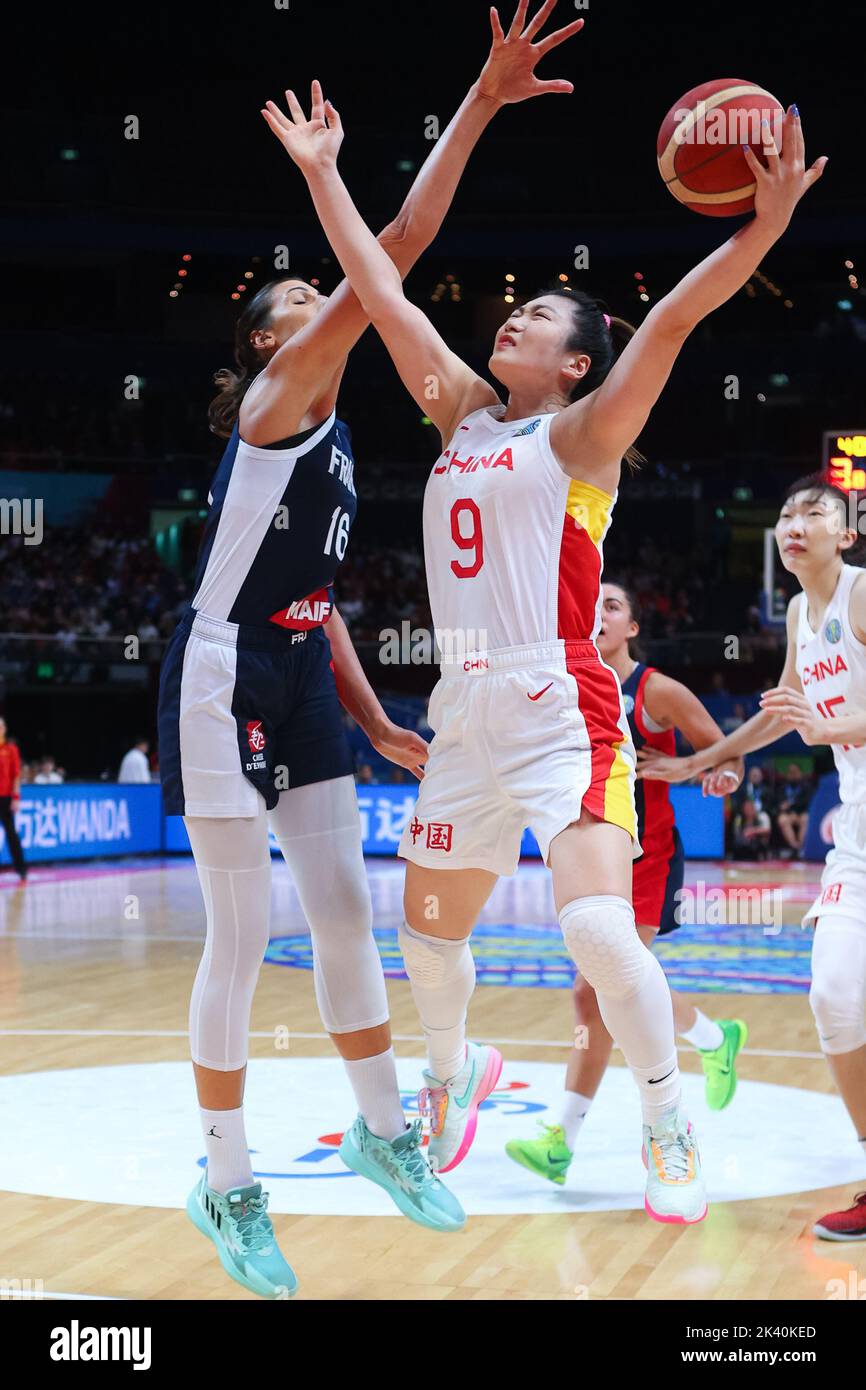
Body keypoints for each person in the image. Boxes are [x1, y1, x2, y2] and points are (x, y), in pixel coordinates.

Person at [268, 55, 825, 1222]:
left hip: (560, 699)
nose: (509, 319)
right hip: (460, 711)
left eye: (536, 319)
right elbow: (377, 285)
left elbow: (672, 318)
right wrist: (329, 174)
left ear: (575, 363)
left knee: (588, 921)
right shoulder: (460, 413)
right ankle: (452, 1070)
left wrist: (759, 231)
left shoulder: (581, 438)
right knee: (423, 942)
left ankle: (667, 1116)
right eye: (510, 313)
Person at [158, 2, 587, 1298]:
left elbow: (326, 599)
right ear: (266, 345)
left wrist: (380, 717)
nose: (321, 301)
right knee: (242, 934)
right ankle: (225, 1181)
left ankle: (387, 1133)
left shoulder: (336, 437)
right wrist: (476, 97)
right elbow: (394, 246)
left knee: (345, 911)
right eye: (299, 298)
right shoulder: (286, 397)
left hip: (292, 668)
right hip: (220, 666)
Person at [640, 474, 866, 1241]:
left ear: (847, 535)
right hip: (859, 838)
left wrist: (834, 731)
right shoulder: (803, 612)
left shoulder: (863, 596)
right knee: (834, 996)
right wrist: (701, 762)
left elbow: (821, 724)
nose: (796, 523)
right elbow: (782, 715)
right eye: (785, 513)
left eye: (815, 513)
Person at [505, 582, 747, 1185]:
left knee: (595, 993)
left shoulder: (655, 690)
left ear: (633, 628)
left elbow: (727, 754)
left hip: (649, 860)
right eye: (592, 604)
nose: (598, 614)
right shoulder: (560, 685)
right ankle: (714, 1038)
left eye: (612, 607)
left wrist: (707, 774)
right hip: (589, 850)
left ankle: (564, 1137)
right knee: (601, 993)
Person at [0, 717, 26, 882]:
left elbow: (16, 775)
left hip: (5, 797)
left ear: (4, 728)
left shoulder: (11, 749)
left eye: (1, 726)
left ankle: (21, 868)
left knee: (11, 833)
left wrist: (15, 797)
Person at [775, 761, 810, 856]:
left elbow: (807, 802)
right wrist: (789, 811)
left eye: (795, 772)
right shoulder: (782, 788)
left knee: (806, 818)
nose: (793, 775)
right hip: (787, 815)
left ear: (800, 774)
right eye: (791, 772)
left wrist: (793, 808)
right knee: (783, 819)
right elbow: (779, 804)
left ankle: (801, 847)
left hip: (801, 813)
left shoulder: (806, 787)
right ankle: (794, 846)